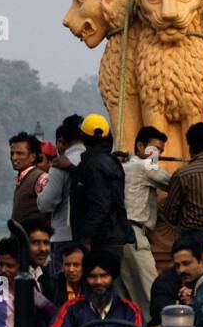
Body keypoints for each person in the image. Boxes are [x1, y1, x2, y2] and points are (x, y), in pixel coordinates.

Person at [40, 250, 146, 327]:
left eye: (104, 276)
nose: (98, 282)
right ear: (86, 278)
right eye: (92, 277)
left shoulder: (131, 310)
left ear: (113, 278)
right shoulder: (71, 308)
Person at [69, 113, 134, 259]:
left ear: (84, 138)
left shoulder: (93, 165)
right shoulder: (110, 161)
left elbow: (100, 204)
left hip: (100, 240)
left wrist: (86, 237)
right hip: (112, 235)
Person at [120, 126, 170, 310]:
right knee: (152, 291)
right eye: (155, 149)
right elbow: (173, 184)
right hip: (134, 234)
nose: (157, 155)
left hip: (122, 233)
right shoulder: (145, 165)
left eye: (161, 151)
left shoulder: (125, 166)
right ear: (140, 146)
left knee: (128, 294)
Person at [38, 115, 85, 274]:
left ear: (63, 140)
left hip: (63, 237)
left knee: (62, 290)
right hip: (90, 238)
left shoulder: (61, 164)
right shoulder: (96, 162)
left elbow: (46, 203)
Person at [148, 235, 203, 327]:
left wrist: (194, 300)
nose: (181, 270)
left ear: (202, 261)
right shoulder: (165, 281)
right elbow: (163, 316)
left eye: (186, 263)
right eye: (177, 266)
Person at [8, 132, 48, 225]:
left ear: (32, 157)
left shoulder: (41, 178)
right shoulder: (21, 179)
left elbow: (49, 210)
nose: (14, 157)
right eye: (12, 153)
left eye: (19, 153)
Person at [21, 216, 57, 298]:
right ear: (23, 244)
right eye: (35, 243)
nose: (43, 249)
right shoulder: (14, 277)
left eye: (46, 243)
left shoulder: (47, 277)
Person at [47, 242, 86, 307]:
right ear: (62, 266)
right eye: (67, 264)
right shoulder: (52, 286)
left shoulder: (92, 284)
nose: (71, 269)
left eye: (76, 265)